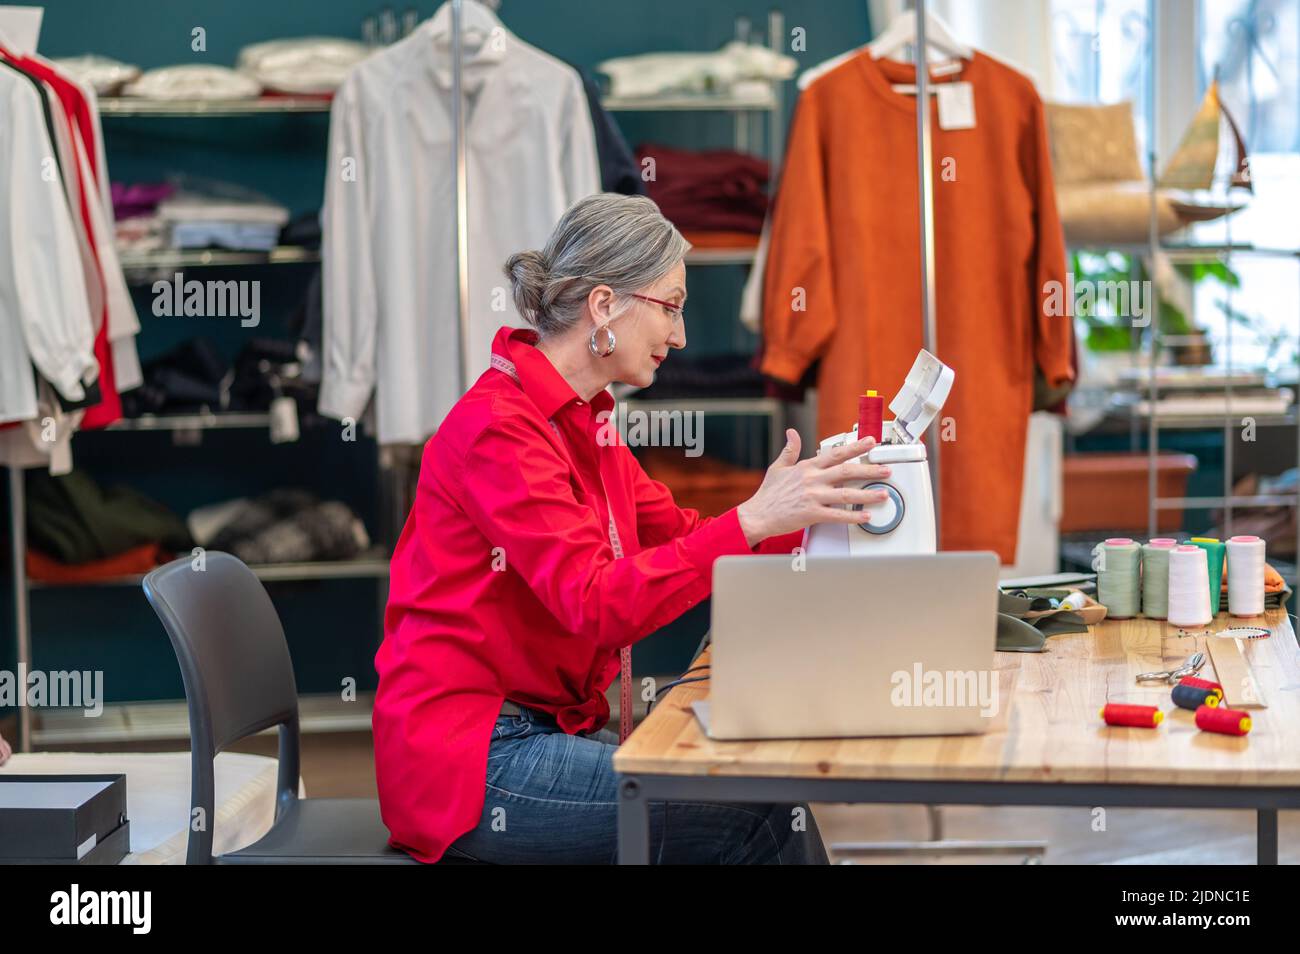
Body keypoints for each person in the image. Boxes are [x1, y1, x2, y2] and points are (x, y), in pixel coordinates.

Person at [372, 193, 889, 864]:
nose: (680, 336)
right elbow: (595, 603)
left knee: (756, 799)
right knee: (759, 814)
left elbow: (678, 534)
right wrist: (755, 518)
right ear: (605, 305)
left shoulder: (586, 419)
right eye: (671, 307)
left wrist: (815, 510)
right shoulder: (500, 430)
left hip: (540, 730)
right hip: (471, 759)